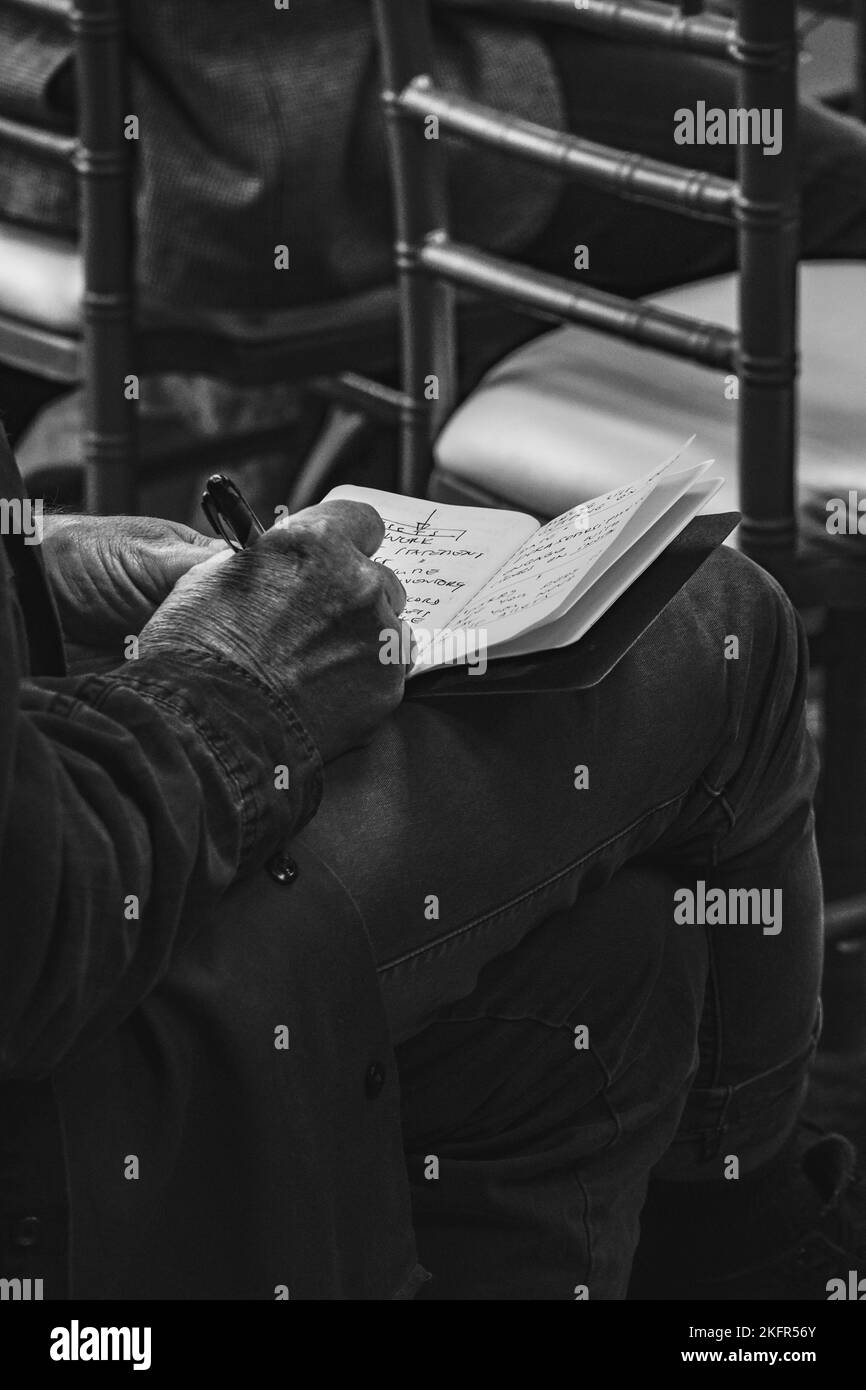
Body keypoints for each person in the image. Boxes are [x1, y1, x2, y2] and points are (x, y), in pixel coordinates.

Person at [2, 416, 865, 1300]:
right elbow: (34, 917)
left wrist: (35, 567)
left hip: (73, 782)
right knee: (726, 622)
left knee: (613, 961)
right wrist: (234, 673)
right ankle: (760, 1254)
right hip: (87, 969)